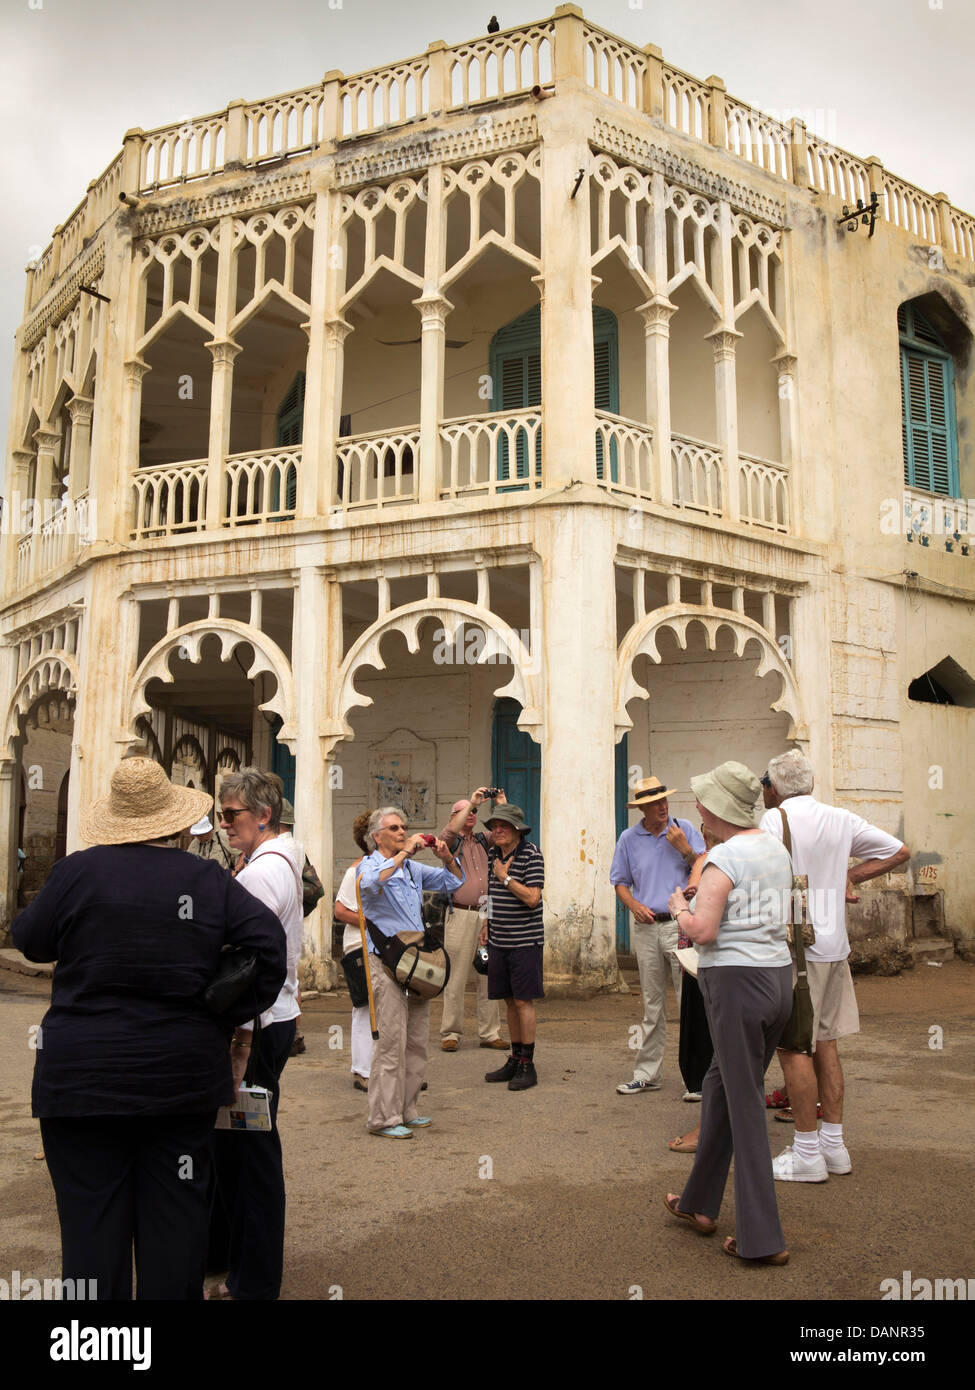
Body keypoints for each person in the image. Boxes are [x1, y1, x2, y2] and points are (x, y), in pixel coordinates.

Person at [12, 756, 285, 1300]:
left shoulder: (76, 872)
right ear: (178, 824)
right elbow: (268, 948)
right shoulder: (205, 879)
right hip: (179, 1082)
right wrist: (223, 1013)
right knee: (175, 1224)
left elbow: (30, 939)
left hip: (81, 1082)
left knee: (90, 1228)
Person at [663, 761, 794, 1265]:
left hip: (736, 984)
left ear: (717, 808)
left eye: (702, 800)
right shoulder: (772, 848)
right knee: (722, 1084)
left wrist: (679, 905)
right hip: (777, 980)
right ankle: (699, 1203)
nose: (696, 807)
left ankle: (764, 1239)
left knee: (745, 1109)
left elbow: (702, 932)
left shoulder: (723, 859)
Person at [760, 750, 910, 1183]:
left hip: (795, 950)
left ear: (774, 787)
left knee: (793, 1050)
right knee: (826, 1045)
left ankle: (807, 1152)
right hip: (834, 948)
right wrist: (853, 877)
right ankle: (834, 1146)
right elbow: (900, 852)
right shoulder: (841, 818)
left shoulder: (774, 822)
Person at [208, 767, 303, 1300]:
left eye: (232, 815)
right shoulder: (282, 857)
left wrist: (241, 1043)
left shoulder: (260, 874)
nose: (224, 825)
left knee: (251, 1158)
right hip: (275, 1017)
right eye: (222, 815)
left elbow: (251, 965)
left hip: (259, 1027)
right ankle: (229, 1258)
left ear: (263, 815)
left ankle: (253, 1281)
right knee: (241, 1151)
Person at [358, 807, 464, 1138]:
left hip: (416, 961)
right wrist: (405, 853)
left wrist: (446, 856)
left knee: (416, 1040)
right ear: (377, 836)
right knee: (391, 1041)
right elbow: (373, 883)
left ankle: (407, 1108)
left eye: (404, 827)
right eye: (394, 828)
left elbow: (453, 881)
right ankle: (383, 1118)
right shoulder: (369, 865)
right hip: (386, 962)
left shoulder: (412, 869)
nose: (403, 832)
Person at [610, 776, 706, 1095]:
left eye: (664, 801)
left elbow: (704, 868)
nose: (663, 807)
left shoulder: (684, 830)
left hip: (681, 924)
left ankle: (698, 1079)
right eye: (655, 804)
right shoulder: (628, 838)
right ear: (643, 809)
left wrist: (685, 849)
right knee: (652, 1004)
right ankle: (648, 1073)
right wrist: (634, 905)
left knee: (690, 1002)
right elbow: (620, 882)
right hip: (647, 927)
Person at [478, 803, 545, 1091]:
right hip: (499, 940)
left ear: (518, 830)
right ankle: (515, 1058)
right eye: (494, 826)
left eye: (503, 826)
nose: (497, 830)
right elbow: (491, 893)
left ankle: (528, 1065)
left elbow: (532, 898)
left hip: (524, 941)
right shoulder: (494, 853)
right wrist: (486, 922)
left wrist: (506, 878)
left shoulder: (532, 855)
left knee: (523, 1001)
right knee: (507, 1000)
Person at [438, 789, 507, 1053]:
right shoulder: (449, 842)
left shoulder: (483, 840)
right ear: (454, 815)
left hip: (486, 912)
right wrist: (473, 802)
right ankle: (451, 1032)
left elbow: (508, 831)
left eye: (475, 811)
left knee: (489, 975)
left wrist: (500, 804)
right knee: (454, 976)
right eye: (465, 811)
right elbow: (447, 833)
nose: (472, 814)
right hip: (460, 912)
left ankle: (490, 1033)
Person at [333, 810, 377, 1091]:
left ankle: (390, 1071)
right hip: (359, 946)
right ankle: (363, 1071)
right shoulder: (356, 870)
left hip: (387, 948)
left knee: (390, 1009)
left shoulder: (395, 867)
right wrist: (372, 921)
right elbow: (340, 911)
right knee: (364, 1007)